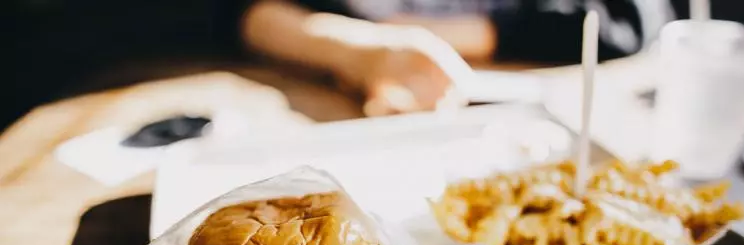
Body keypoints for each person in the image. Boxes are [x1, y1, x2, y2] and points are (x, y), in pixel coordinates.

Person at [239, 0, 676, 116]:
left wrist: (442, 37)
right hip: (332, 106)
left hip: (526, 102)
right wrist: (359, 51)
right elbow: (243, 14)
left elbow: (625, 22)